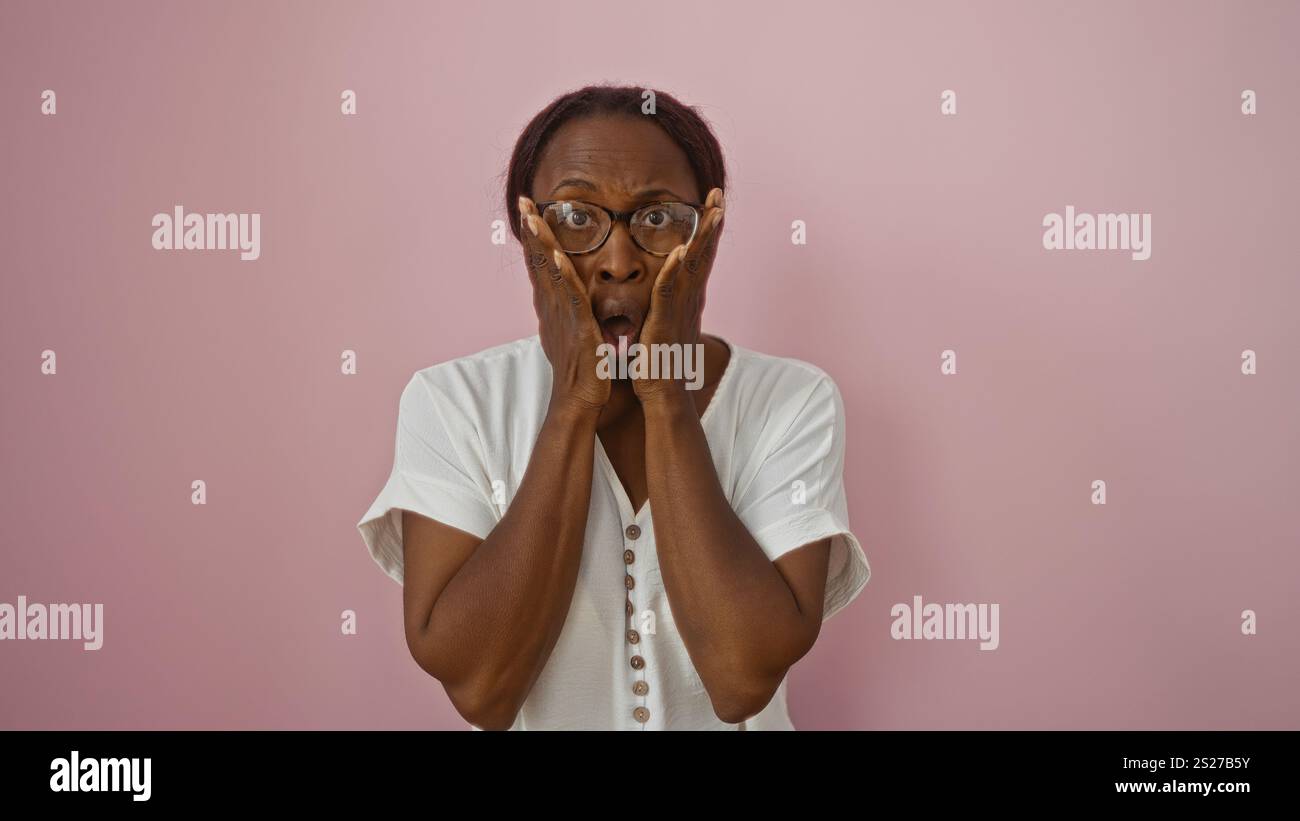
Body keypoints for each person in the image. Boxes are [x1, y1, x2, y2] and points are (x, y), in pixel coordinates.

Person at [358, 84, 871, 730]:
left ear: (707, 233)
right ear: (527, 234)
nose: (620, 261)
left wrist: (666, 393)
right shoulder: (453, 403)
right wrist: (574, 401)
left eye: (658, 218)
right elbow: (484, 690)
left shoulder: (793, 402)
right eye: (576, 217)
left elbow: (741, 679)